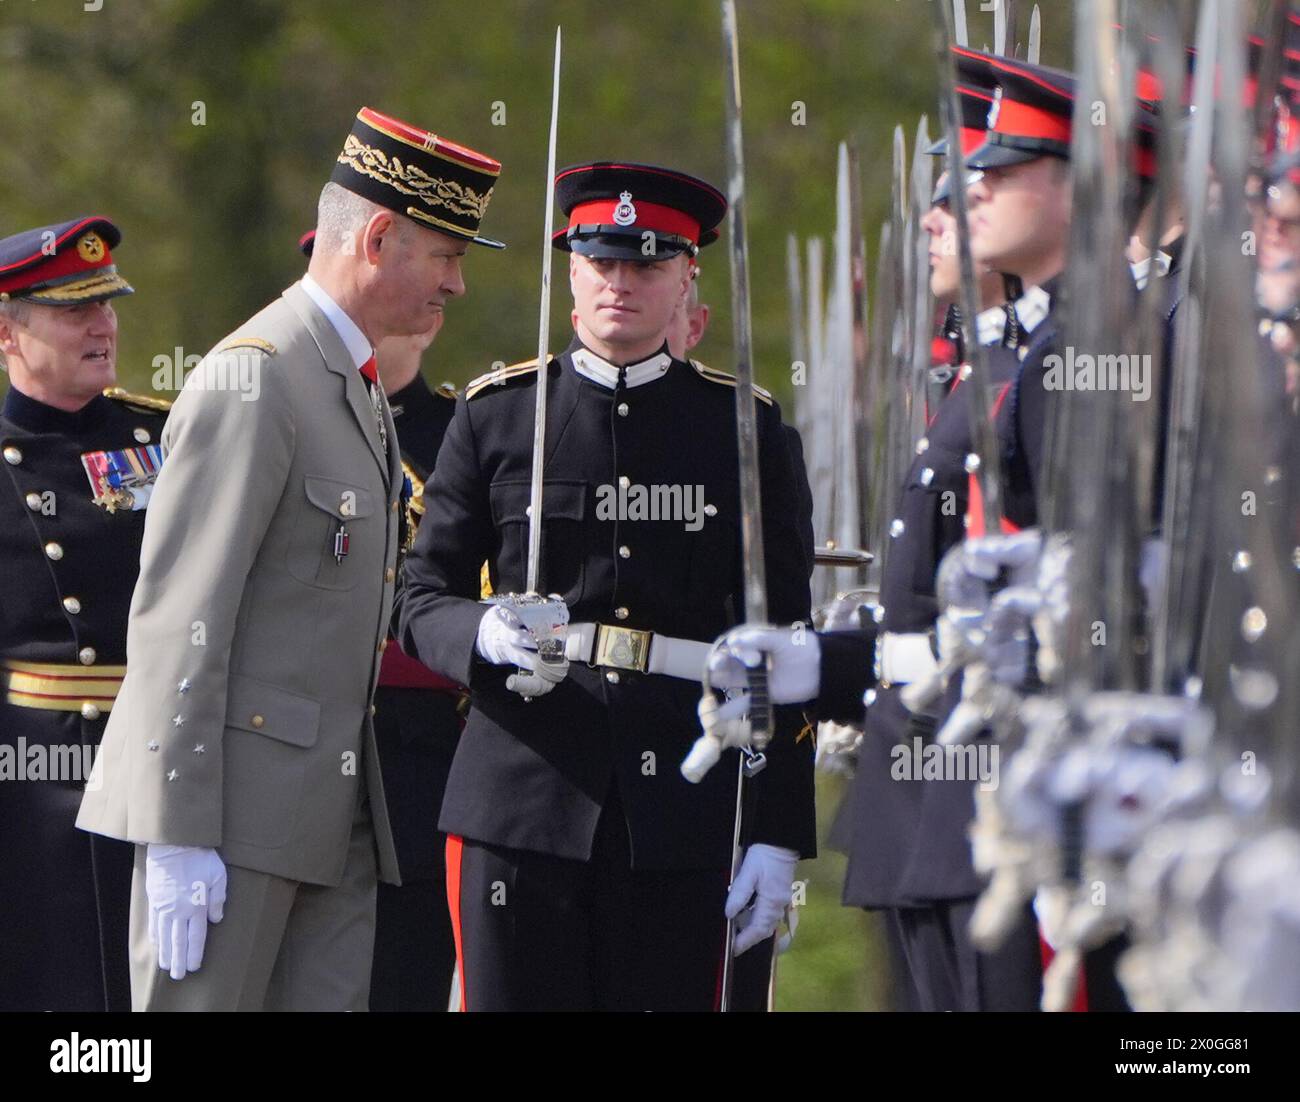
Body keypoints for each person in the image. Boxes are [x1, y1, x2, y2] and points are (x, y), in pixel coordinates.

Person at [76, 107, 503, 1011]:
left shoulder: (346, 382)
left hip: (333, 823)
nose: (456, 286)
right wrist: (176, 832)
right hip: (231, 824)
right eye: (446, 256)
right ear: (380, 237)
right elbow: (183, 615)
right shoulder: (259, 376)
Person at [397, 161, 816, 1011]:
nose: (620, 283)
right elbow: (419, 596)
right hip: (521, 793)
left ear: (686, 279)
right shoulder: (498, 415)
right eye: (601, 262)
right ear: (571, 272)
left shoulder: (745, 431)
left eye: (648, 265)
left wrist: (777, 830)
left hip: (690, 806)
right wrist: (483, 635)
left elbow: (790, 644)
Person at [0, 217, 169, 1011]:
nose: (102, 325)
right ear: (9, 332)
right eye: (75, 310)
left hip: (158, 751)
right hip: (28, 771)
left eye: (108, 306)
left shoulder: (164, 436)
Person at [300, 230, 467, 1011]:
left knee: (406, 978)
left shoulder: (471, 432)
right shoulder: (286, 408)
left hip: (423, 755)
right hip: (305, 743)